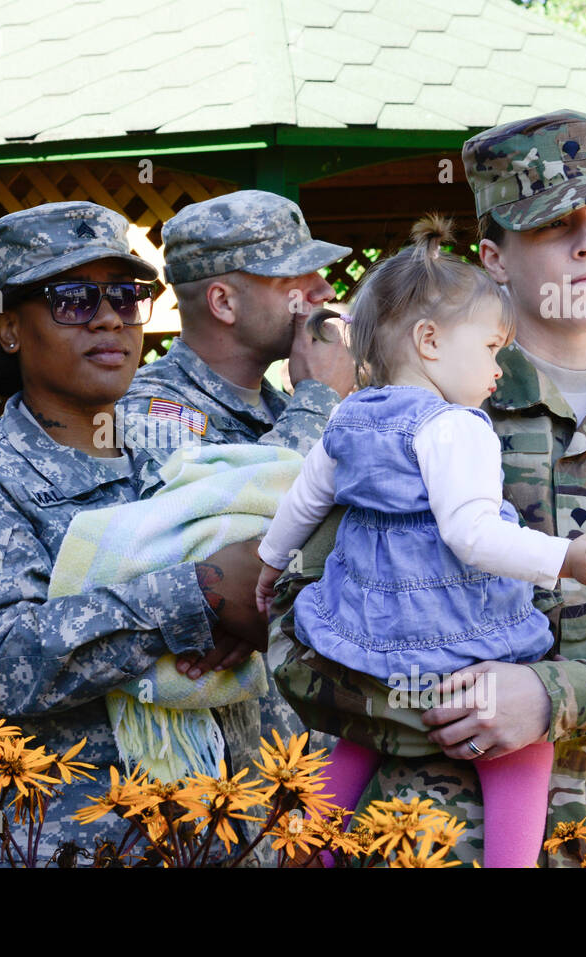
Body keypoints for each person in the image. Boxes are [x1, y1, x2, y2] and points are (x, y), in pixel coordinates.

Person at [268, 110, 586, 866]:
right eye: (554, 225)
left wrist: (555, 696)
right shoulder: (405, 419)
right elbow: (296, 634)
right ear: (494, 256)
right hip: (432, 841)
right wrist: (456, 706)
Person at [0, 201, 269, 863]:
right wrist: (199, 595)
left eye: (126, 296)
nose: (107, 317)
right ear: (9, 327)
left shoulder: (178, 459)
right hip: (78, 843)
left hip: (223, 834)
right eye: (72, 298)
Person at [256, 215, 586, 867]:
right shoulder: (457, 426)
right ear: (430, 341)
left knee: (359, 732)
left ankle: (310, 845)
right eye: (489, 347)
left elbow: (304, 501)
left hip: (364, 624)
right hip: (448, 624)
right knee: (522, 743)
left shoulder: (349, 414)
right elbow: (473, 536)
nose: (496, 366)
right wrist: (565, 558)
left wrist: (268, 563)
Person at [116, 190, 356, 750]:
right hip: (223, 783)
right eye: (295, 277)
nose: (324, 292)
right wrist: (320, 397)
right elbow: (226, 560)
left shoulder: (284, 408)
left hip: (309, 758)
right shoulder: (149, 410)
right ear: (223, 302)